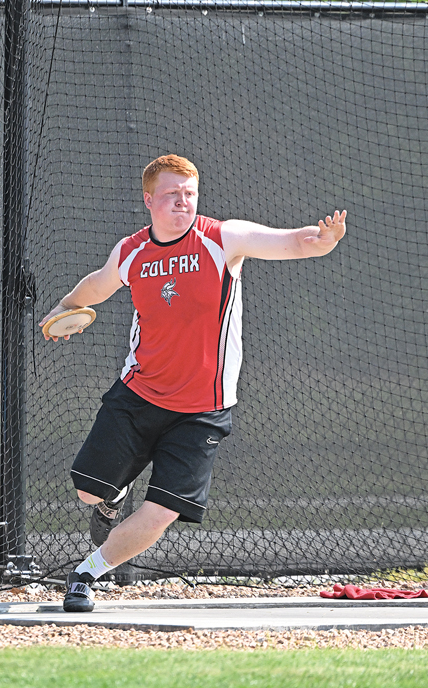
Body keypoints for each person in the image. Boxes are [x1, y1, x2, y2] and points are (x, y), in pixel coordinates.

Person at [39, 154, 347, 612]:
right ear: (149, 200)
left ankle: (86, 574)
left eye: (189, 193)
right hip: (138, 393)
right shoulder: (131, 252)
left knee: (162, 511)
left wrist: (320, 241)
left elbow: (289, 242)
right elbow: (99, 284)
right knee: (88, 490)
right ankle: (113, 496)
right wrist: (65, 307)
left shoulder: (223, 238)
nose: (182, 201)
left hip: (203, 407)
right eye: (171, 194)